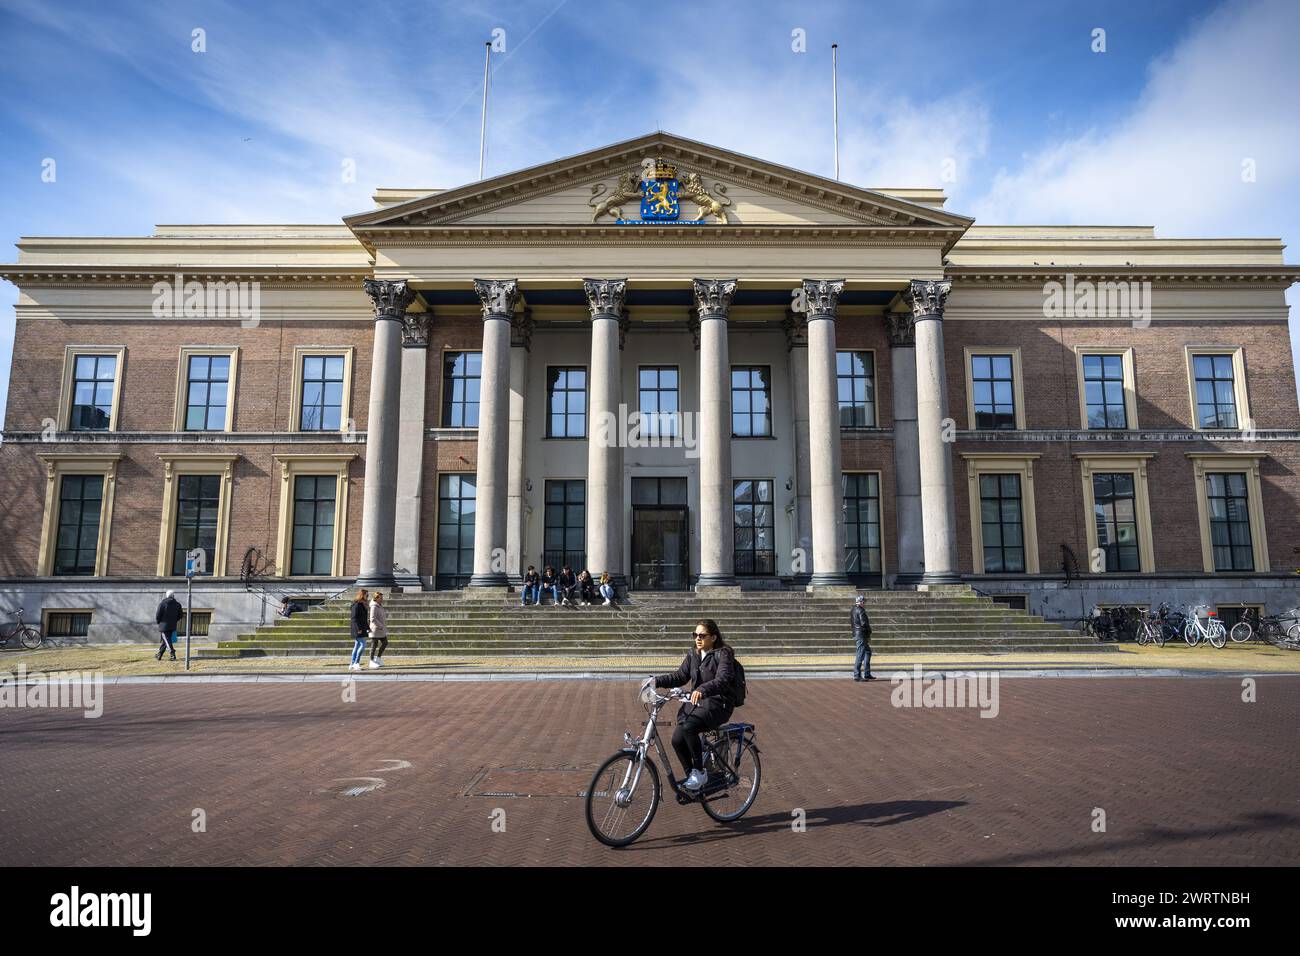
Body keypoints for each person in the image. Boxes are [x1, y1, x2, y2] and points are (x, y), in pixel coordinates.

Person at [651, 619, 735, 792]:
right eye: (695, 635)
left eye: (702, 635)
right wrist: (655, 681)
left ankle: (700, 773)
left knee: (689, 728)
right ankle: (693, 777)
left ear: (713, 637)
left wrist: (703, 689)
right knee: (676, 740)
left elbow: (723, 679)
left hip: (718, 704)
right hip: (697, 704)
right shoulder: (693, 654)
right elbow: (680, 676)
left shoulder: (723, 653)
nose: (698, 638)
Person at [154, 589, 184, 661]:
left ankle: (172, 654)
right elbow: (180, 615)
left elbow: (158, 615)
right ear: (173, 596)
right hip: (172, 625)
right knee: (166, 640)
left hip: (164, 625)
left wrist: (158, 622)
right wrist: (174, 620)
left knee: (167, 640)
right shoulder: (178, 604)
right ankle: (159, 654)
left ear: (167, 596)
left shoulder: (162, 604)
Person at [852, 594, 874, 681]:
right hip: (862, 634)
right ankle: (857, 675)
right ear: (860, 602)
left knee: (867, 652)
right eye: (863, 602)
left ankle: (867, 673)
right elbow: (864, 623)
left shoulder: (853, 609)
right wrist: (869, 632)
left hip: (857, 634)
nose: (864, 603)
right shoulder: (861, 610)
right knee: (860, 654)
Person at [348, 589, 370, 672]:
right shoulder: (356, 605)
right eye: (366, 595)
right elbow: (354, 618)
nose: (367, 597)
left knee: (357, 645)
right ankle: (356, 663)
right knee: (363, 644)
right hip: (357, 629)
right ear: (362, 595)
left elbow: (364, 618)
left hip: (361, 628)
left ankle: (352, 663)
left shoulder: (362, 605)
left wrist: (368, 628)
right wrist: (359, 629)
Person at [368, 592, 388, 669]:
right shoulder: (374, 606)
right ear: (376, 598)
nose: (382, 599)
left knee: (385, 643)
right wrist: (380, 626)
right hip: (375, 629)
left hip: (381, 629)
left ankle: (378, 658)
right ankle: (371, 661)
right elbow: (372, 618)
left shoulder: (379, 606)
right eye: (381, 597)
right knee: (374, 645)